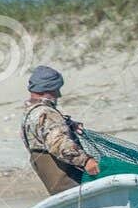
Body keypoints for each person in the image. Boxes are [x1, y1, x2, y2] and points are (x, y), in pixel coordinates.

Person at [21, 65, 99, 195]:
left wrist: (67, 124)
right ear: (47, 88)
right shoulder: (47, 114)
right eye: (56, 89)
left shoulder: (29, 114)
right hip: (71, 186)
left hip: (57, 189)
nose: (59, 94)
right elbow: (59, 144)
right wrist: (86, 161)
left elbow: (43, 135)